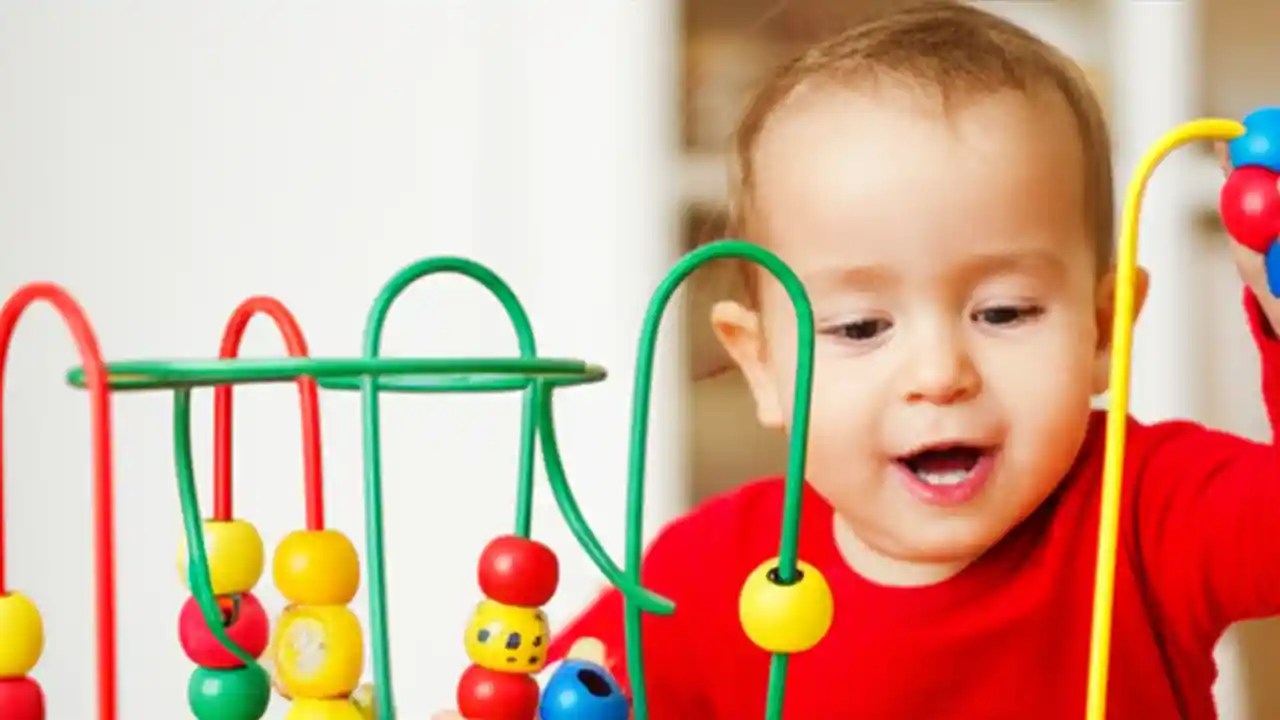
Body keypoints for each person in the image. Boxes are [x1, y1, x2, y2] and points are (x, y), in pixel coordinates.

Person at [440, 1, 1280, 717]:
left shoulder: (1150, 510)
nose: (939, 373)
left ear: (1104, 331)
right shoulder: (705, 578)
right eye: (860, 329)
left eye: (1003, 311)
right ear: (762, 365)